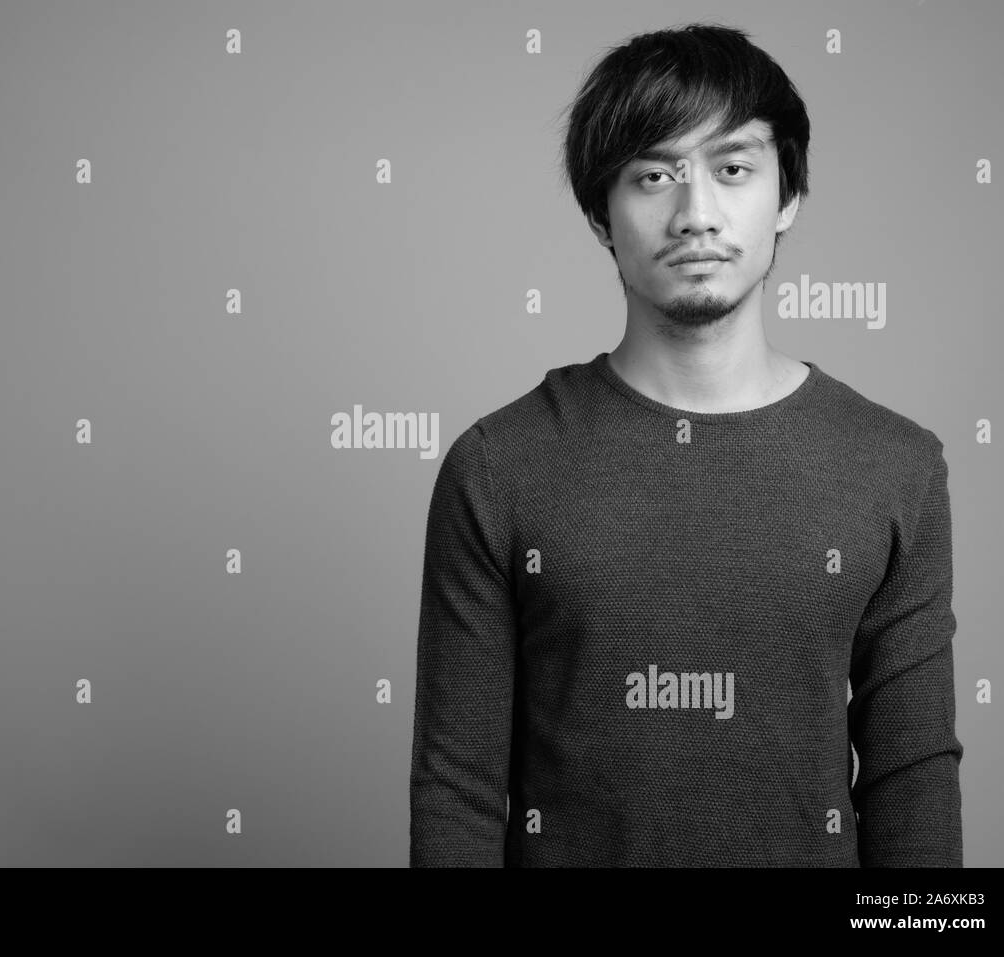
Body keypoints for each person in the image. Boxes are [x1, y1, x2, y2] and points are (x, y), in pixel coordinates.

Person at [409, 22, 963, 867]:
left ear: (787, 196)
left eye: (733, 168)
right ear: (602, 214)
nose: (694, 212)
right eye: (654, 175)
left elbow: (912, 780)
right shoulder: (498, 466)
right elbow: (458, 790)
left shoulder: (897, 467)